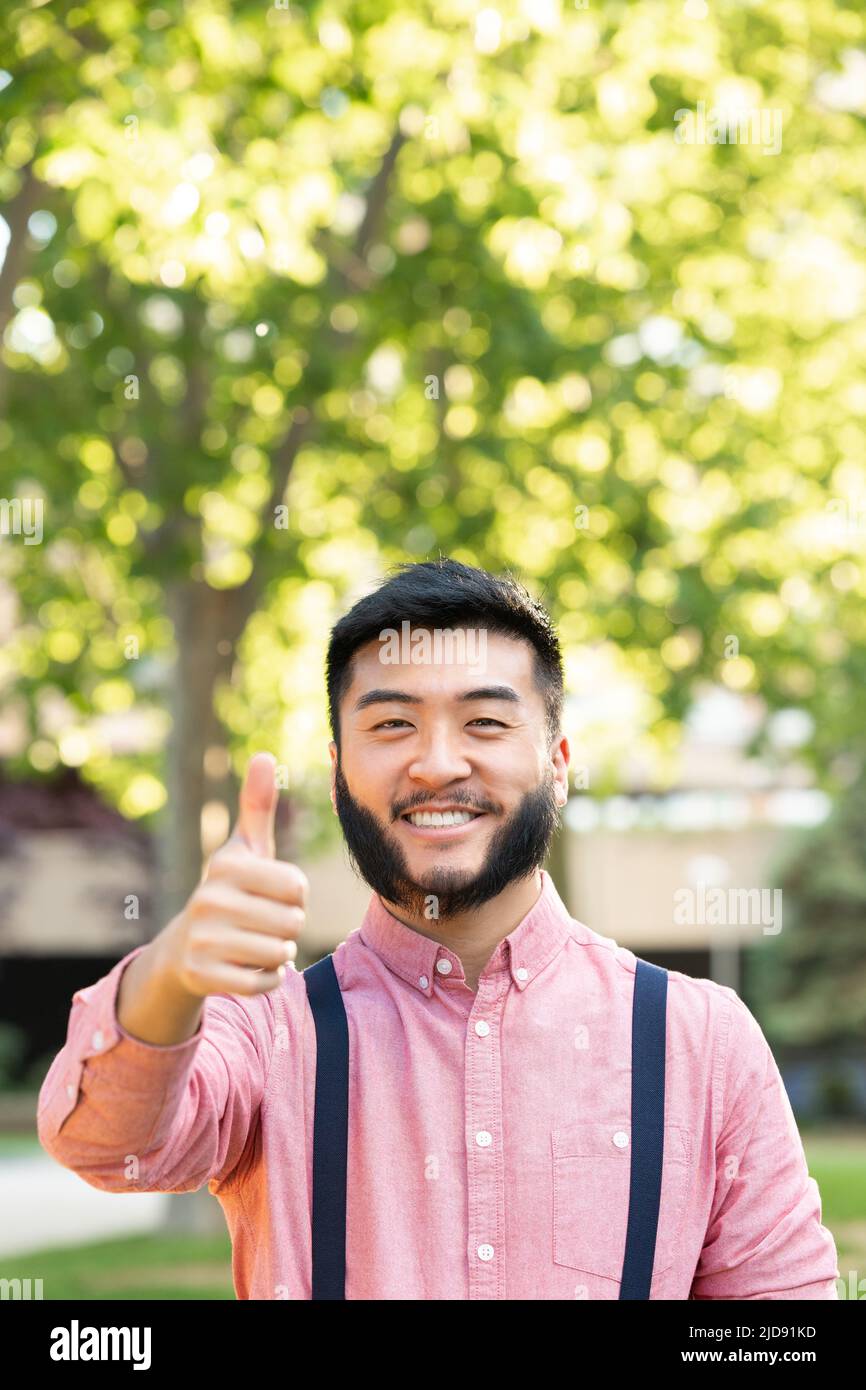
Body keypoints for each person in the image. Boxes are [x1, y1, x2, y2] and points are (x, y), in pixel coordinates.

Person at [37, 558, 840, 1299]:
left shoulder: (701, 1042)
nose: (437, 764)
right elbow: (107, 1144)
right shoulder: (268, 1032)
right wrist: (174, 971)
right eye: (392, 726)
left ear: (558, 761)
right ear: (339, 768)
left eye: (485, 723)